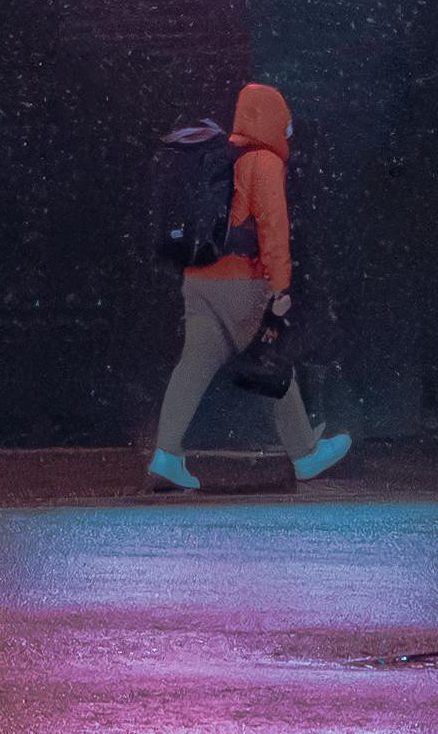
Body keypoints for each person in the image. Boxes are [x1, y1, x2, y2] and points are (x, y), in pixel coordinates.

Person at [149, 78, 352, 494]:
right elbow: (273, 230)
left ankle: (166, 456)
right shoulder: (263, 162)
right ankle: (305, 455)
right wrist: (281, 286)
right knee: (272, 360)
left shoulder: (221, 157)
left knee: (193, 366)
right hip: (242, 282)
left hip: (199, 279)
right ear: (274, 119)